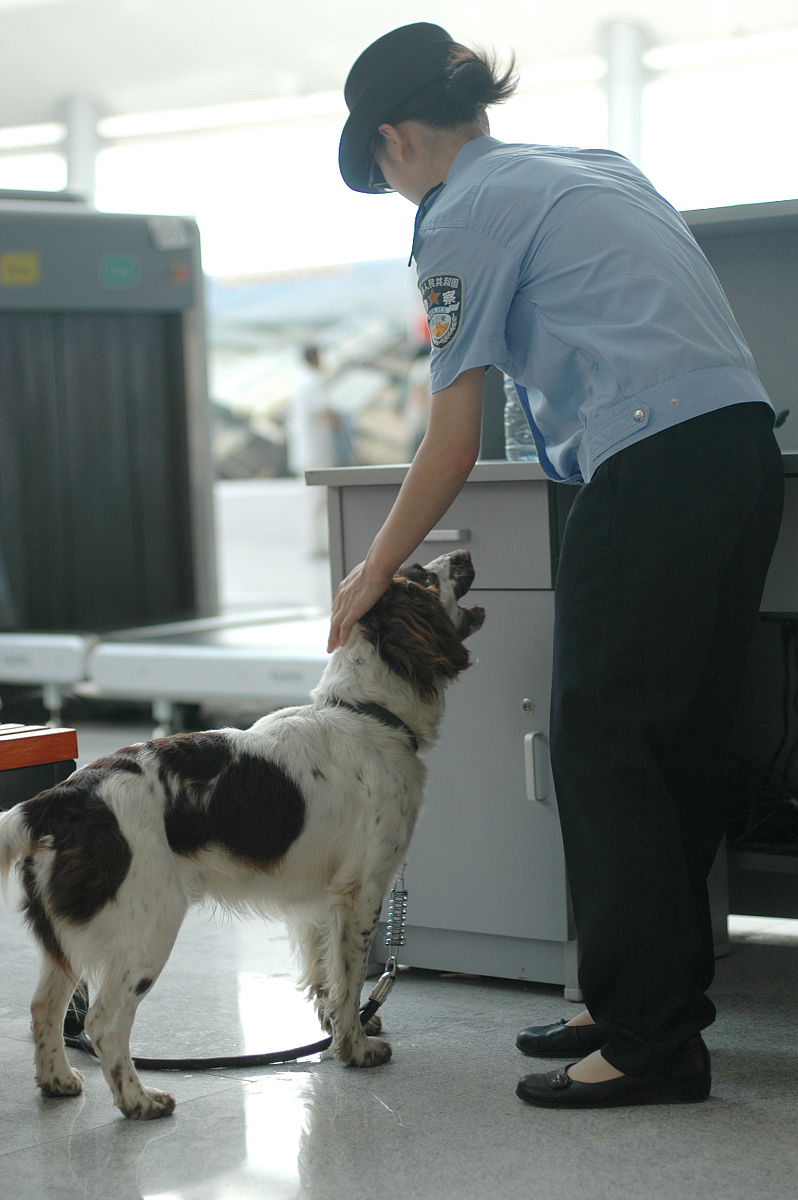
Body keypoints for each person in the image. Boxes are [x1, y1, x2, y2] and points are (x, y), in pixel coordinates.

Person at [329, 22, 784, 1109]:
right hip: (739, 456)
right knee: (666, 746)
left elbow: (451, 438)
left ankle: (649, 1043)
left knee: (603, 743)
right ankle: (635, 1001)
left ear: (394, 140)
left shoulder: (457, 216)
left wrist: (367, 574)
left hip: (649, 471)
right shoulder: (592, 166)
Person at [289, 345, 345, 555]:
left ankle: (315, 543)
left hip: (308, 450)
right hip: (316, 451)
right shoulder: (312, 382)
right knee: (316, 499)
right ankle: (316, 545)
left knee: (312, 499)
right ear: (315, 358)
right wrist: (340, 423)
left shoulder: (302, 381)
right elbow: (322, 411)